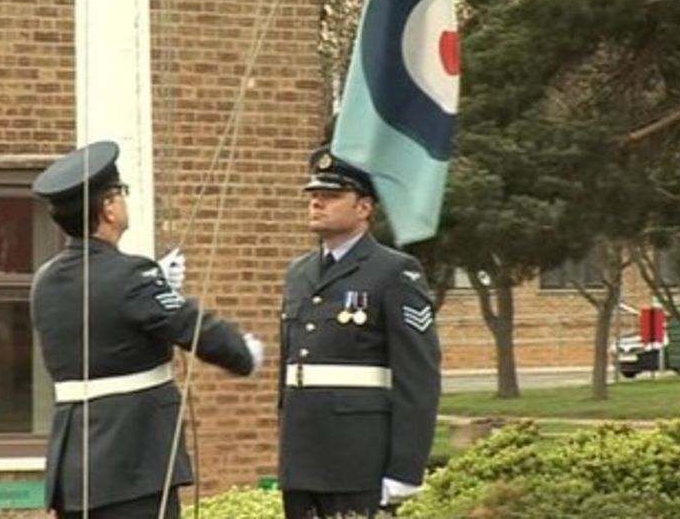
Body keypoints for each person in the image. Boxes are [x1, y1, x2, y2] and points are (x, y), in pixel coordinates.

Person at [30, 140, 264, 519]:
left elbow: (103, 314)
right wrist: (241, 352)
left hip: (76, 462)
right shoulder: (131, 275)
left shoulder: (45, 280)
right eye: (120, 193)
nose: (123, 200)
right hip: (131, 460)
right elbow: (188, 324)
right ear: (107, 207)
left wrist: (155, 283)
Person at [277, 147, 441, 519]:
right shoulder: (299, 273)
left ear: (364, 208)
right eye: (314, 197)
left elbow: (419, 377)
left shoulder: (394, 272)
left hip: (358, 457)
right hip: (303, 453)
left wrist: (405, 468)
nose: (317, 204)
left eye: (332, 197)